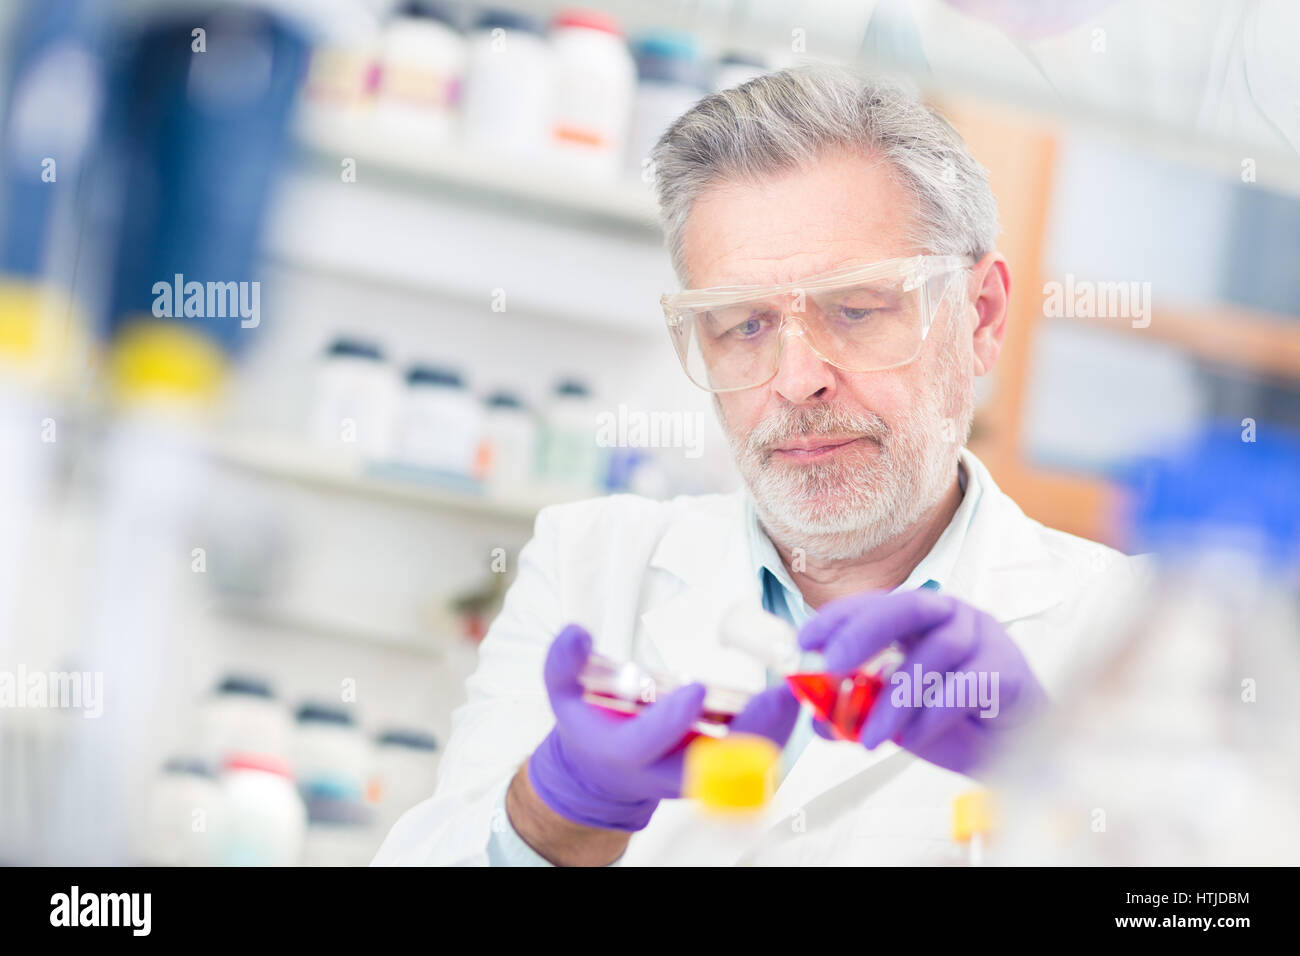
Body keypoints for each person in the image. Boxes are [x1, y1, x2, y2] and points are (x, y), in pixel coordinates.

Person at [373, 65, 1141, 866]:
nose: (795, 378)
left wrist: (1056, 785)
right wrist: (546, 817)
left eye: (855, 309)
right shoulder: (590, 563)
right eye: (742, 324)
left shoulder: (1132, 629)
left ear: (980, 318)